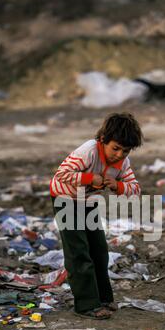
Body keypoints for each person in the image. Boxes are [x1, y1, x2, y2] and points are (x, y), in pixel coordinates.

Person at [50, 112, 143, 319]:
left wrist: (118, 186)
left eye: (125, 151)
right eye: (115, 148)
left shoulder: (122, 163)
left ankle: (103, 297)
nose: (119, 155)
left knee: (99, 250)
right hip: (65, 198)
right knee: (79, 253)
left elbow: (135, 188)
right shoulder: (88, 151)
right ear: (103, 140)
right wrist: (91, 178)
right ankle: (85, 305)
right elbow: (61, 174)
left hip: (88, 202)